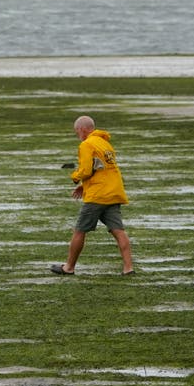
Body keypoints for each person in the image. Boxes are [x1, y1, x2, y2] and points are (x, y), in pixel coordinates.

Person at [51, 115, 134, 276]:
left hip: (97, 196)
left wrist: (75, 177)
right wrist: (84, 186)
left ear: (82, 129)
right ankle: (128, 268)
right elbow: (101, 170)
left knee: (80, 230)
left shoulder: (87, 144)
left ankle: (68, 267)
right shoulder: (105, 144)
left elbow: (86, 170)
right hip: (113, 192)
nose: (78, 135)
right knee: (118, 230)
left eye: (77, 132)